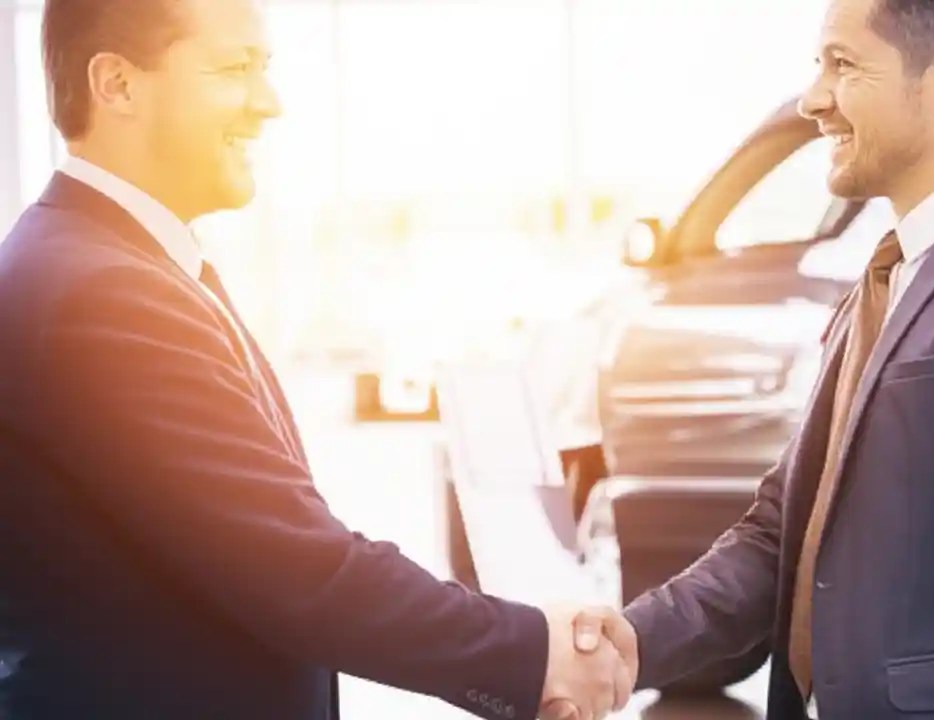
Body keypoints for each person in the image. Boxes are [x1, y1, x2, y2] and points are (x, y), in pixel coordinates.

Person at [0, 1, 632, 718]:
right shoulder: (97, 289)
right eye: (235, 69)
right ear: (116, 84)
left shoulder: (111, 262)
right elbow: (293, 567)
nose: (267, 105)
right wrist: (530, 653)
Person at [577, 0, 934, 718]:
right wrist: (627, 642)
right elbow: (783, 531)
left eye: (842, 65)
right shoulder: (888, 278)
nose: (815, 99)